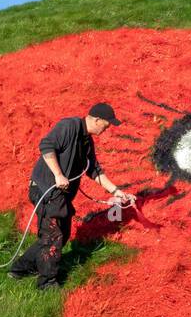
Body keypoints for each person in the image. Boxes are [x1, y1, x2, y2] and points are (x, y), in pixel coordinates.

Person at [9, 102, 134, 289]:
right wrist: (58, 175)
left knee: (62, 234)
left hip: (60, 196)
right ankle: (47, 283)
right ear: (97, 119)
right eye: (106, 125)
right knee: (54, 236)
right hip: (45, 190)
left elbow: (94, 170)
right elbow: (46, 146)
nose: (107, 129)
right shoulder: (68, 126)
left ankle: (20, 269)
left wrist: (117, 191)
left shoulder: (87, 141)